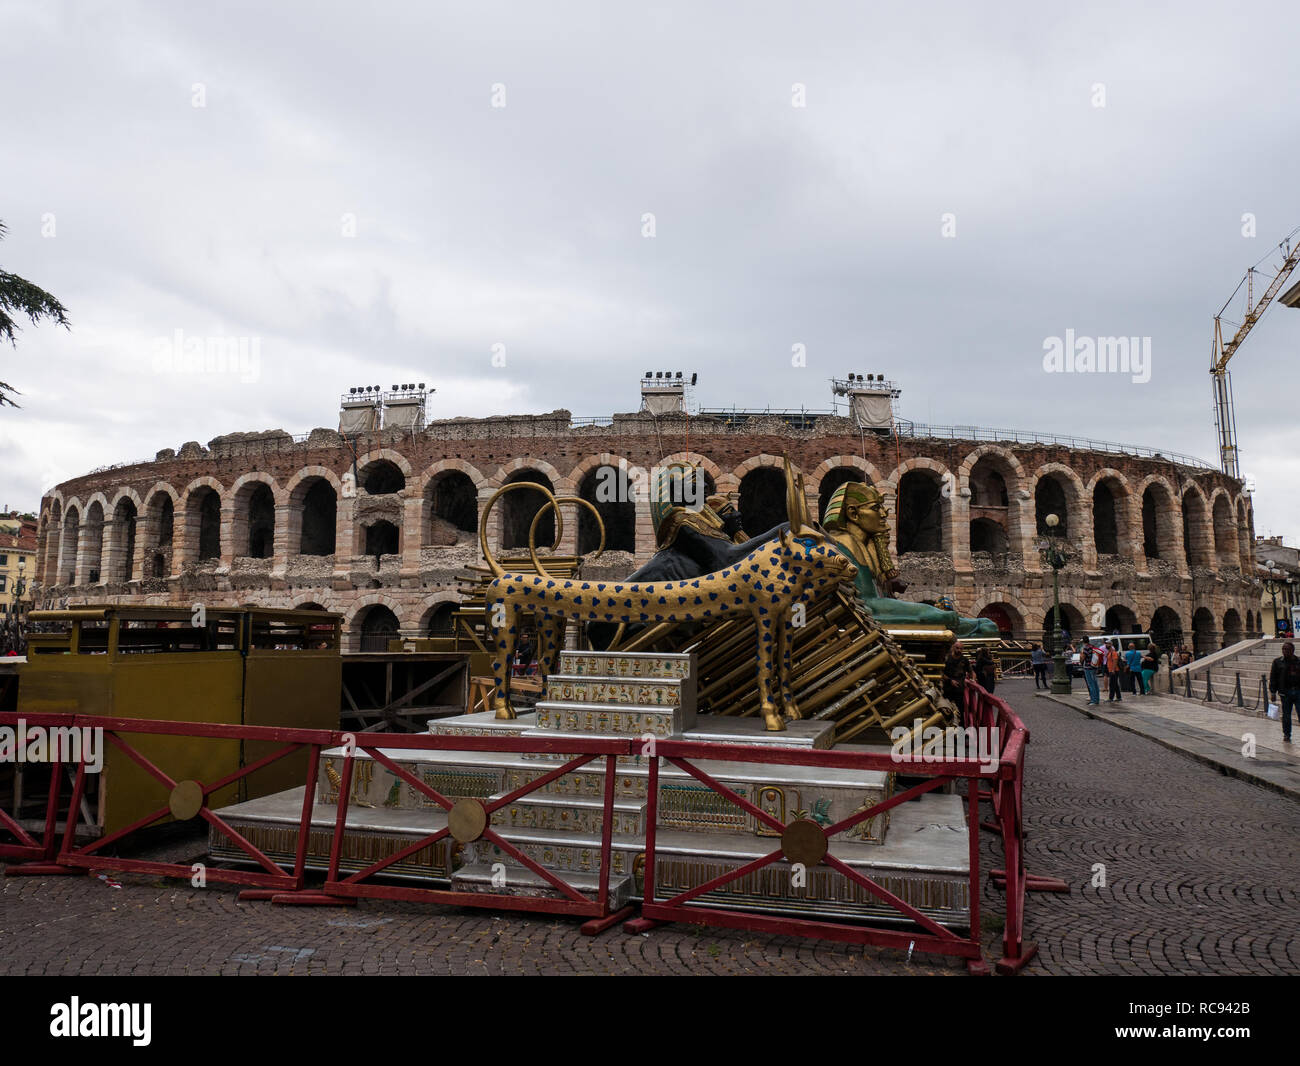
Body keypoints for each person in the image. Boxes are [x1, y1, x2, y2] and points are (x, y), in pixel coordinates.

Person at [1268, 640, 1300, 744]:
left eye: (1287, 649)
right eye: (1283, 649)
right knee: (1286, 715)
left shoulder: (1298, 661)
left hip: (1298, 691)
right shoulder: (1277, 662)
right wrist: (1273, 692)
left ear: (1292, 650)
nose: (1284, 651)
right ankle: (1287, 734)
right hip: (1285, 693)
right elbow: (1273, 677)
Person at [942, 640, 970, 713]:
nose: (959, 650)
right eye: (957, 648)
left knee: (960, 710)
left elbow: (971, 671)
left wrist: (973, 679)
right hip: (947, 689)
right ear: (953, 648)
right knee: (946, 709)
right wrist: (950, 681)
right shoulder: (947, 659)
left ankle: (960, 724)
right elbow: (941, 672)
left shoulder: (965, 660)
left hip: (959, 690)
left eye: (961, 649)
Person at [1079, 639, 1101, 705]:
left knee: (1091, 684)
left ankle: (1093, 700)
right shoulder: (1093, 646)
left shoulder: (1086, 648)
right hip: (1094, 666)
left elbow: (1082, 658)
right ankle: (1097, 699)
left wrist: (1081, 655)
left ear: (1083, 642)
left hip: (1088, 668)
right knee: (1095, 683)